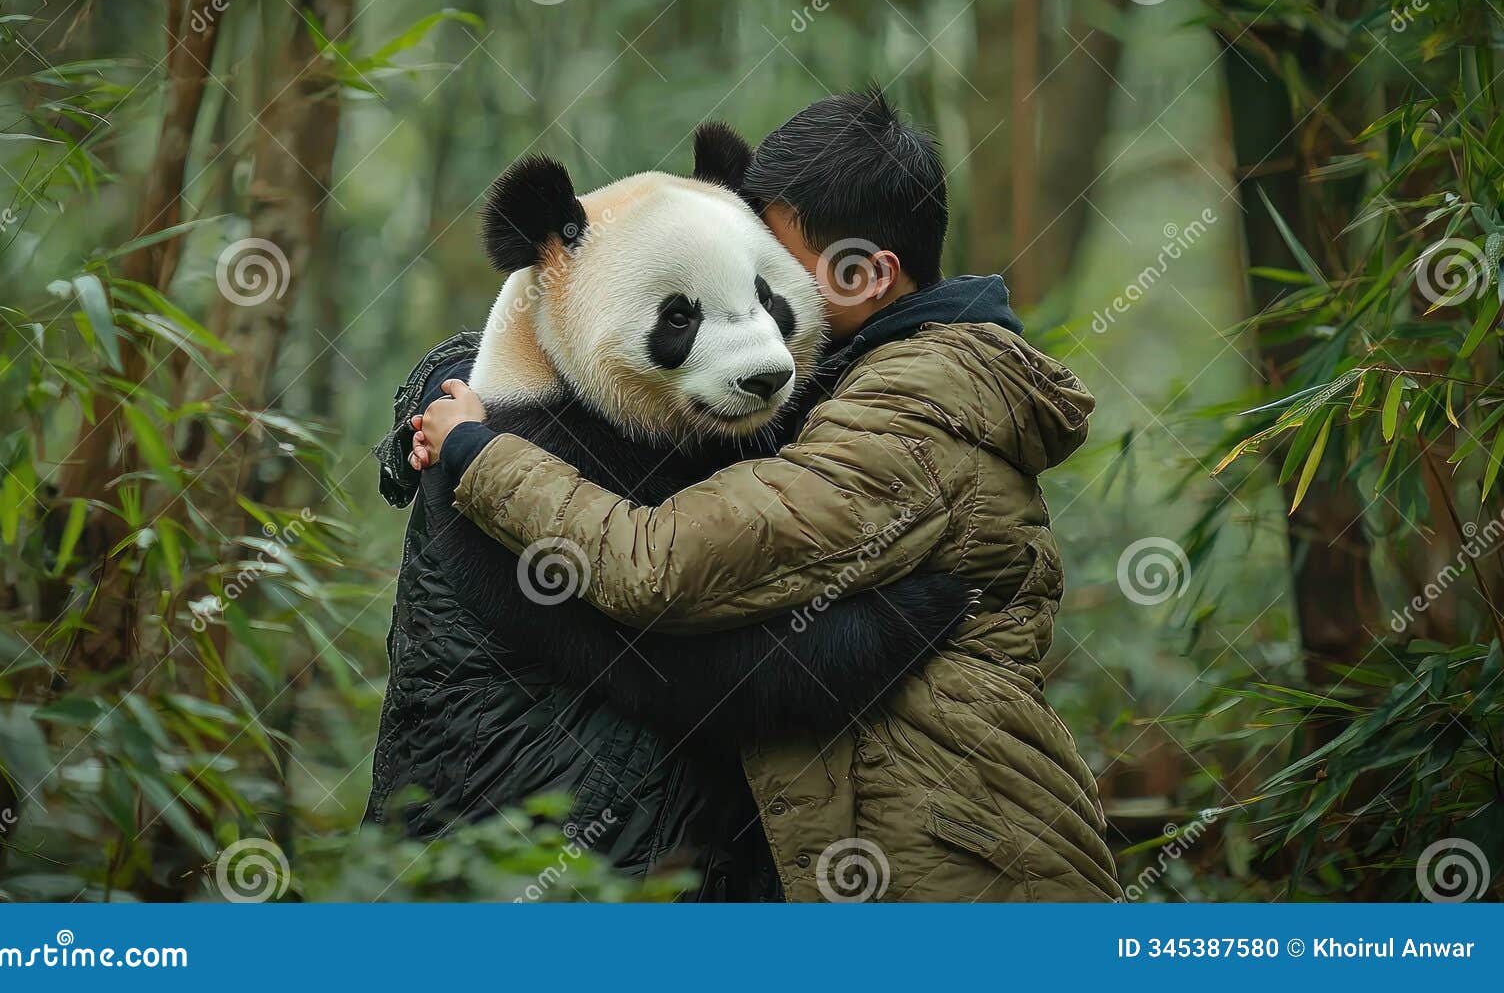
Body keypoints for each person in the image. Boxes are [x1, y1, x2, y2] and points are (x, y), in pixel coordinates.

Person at [411, 87, 1119, 901]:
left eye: (769, 290)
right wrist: (456, 421)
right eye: (685, 315)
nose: (763, 353)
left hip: (970, 857)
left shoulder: (905, 400)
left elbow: (670, 565)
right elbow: (678, 644)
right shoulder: (907, 368)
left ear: (869, 274)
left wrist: (470, 444)